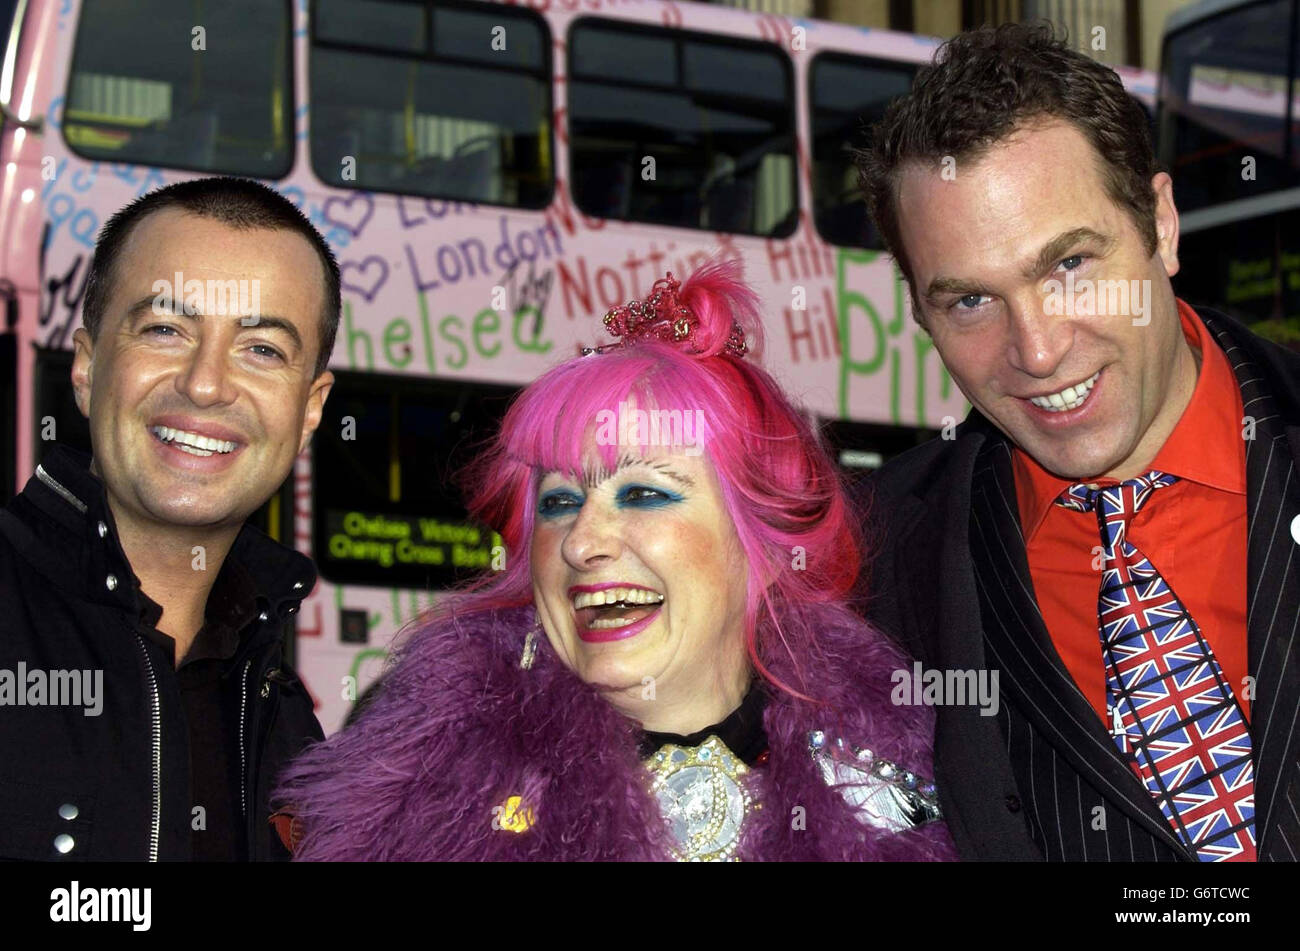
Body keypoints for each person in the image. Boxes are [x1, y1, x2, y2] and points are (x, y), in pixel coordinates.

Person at [275, 259, 955, 861]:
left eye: (643, 493)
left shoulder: (918, 788)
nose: (581, 540)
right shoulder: (419, 796)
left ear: (768, 545)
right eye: (560, 501)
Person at [855, 22, 1300, 861]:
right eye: (970, 303)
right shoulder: (869, 567)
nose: (1037, 349)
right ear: (921, 315)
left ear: (1161, 224)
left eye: (1068, 264)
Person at [0, 177, 338, 860]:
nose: (205, 382)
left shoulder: (290, 728)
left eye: (263, 349)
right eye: (165, 329)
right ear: (89, 367)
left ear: (310, 409)